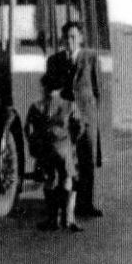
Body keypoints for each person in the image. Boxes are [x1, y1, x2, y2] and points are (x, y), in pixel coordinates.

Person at [41, 20, 104, 220]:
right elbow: (49, 90)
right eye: (67, 37)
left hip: (86, 117)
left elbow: (97, 90)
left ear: (81, 38)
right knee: (64, 162)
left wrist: (92, 115)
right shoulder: (54, 61)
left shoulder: (91, 58)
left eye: (74, 37)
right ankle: (62, 206)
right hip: (65, 119)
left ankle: (86, 205)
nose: (70, 41)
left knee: (87, 161)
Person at [25, 85, 79, 231]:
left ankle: (52, 220)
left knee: (50, 179)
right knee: (67, 178)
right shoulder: (69, 105)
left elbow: (27, 128)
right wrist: (72, 143)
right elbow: (78, 126)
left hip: (46, 148)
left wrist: (33, 143)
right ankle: (68, 220)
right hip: (64, 146)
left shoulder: (35, 106)